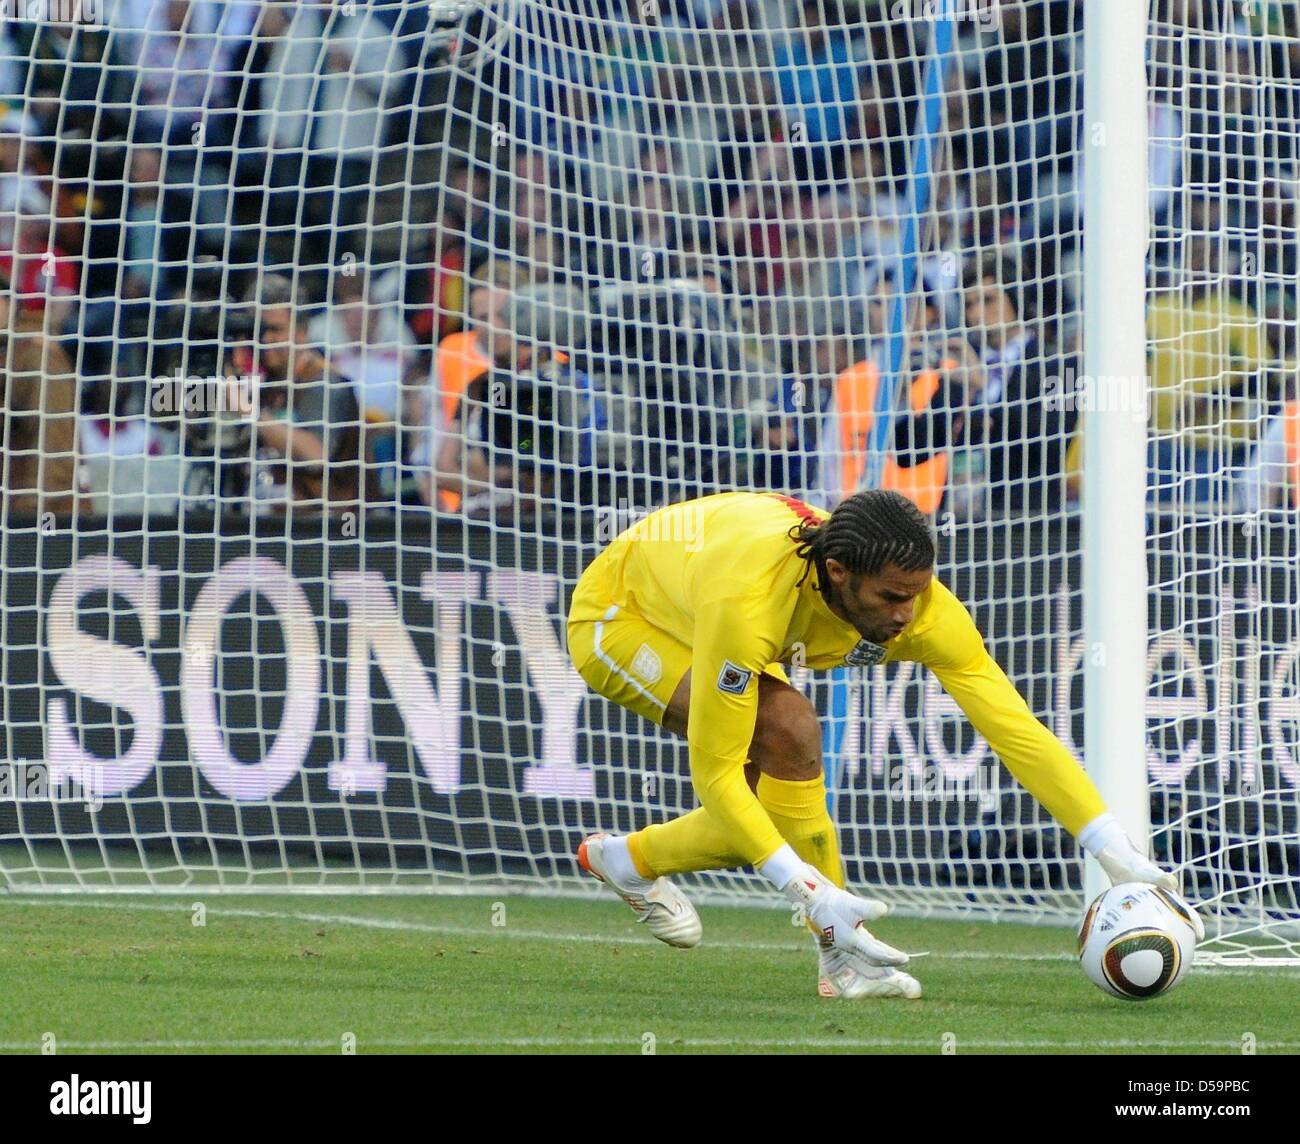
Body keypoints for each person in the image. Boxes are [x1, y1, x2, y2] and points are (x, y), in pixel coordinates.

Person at [567, 489, 1203, 999]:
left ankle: (628, 860)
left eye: (919, 593)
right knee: (787, 730)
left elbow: (1014, 727)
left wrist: (1110, 847)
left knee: (778, 788)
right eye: (892, 598)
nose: (907, 613)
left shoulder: (923, 607)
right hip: (625, 617)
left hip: (699, 602)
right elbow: (715, 775)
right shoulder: (748, 603)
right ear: (838, 574)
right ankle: (844, 959)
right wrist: (807, 893)